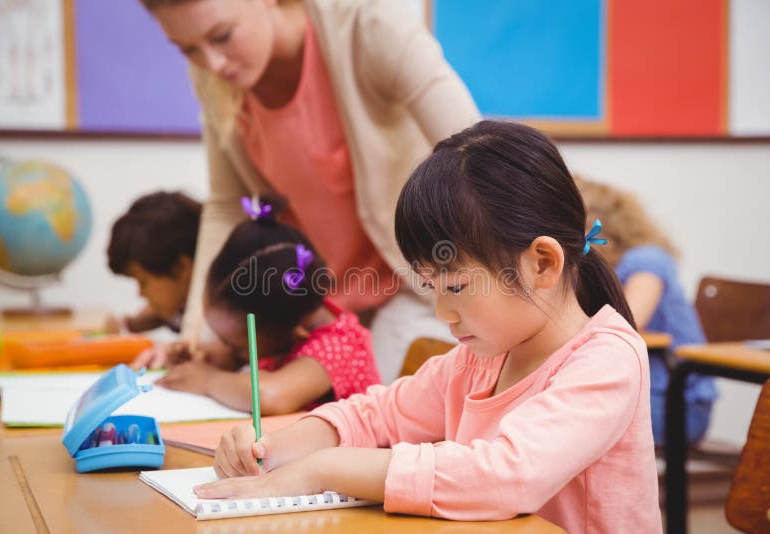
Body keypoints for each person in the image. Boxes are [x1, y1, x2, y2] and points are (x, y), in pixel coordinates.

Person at [191, 121, 663, 531]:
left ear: (542, 263)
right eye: (429, 287)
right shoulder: (479, 359)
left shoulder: (607, 361)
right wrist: (272, 450)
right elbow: (378, 415)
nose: (442, 312)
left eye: (454, 287)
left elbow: (504, 477)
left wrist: (324, 468)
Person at [138, 0, 481, 383]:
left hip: (413, 290)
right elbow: (226, 208)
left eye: (222, 36)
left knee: (367, 406)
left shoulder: (369, 27)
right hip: (316, 303)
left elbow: (478, 157)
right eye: (188, 49)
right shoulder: (215, 74)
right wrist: (199, 334)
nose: (212, 63)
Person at [154, 197, 381, 413]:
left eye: (236, 348)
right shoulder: (284, 325)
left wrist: (208, 379)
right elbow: (245, 356)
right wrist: (200, 355)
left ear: (293, 332)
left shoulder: (339, 348)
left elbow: (270, 396)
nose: (230, 352)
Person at [575, 176, 717, 445]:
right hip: (641, 392)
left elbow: (630, 319)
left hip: (675, 403)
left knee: (564, 419)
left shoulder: (647, 259)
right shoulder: (609, 268)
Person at [107, 191, 201, 333]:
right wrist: (129, 325)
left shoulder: (232, 319)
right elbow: (162, 310)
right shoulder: (185, 302)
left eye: (143, 281)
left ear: (181, 268)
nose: (140, 294)